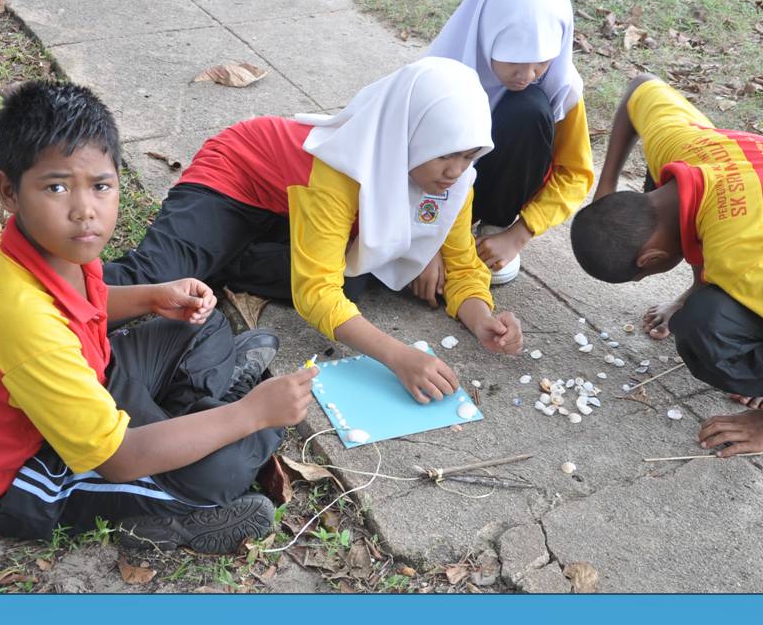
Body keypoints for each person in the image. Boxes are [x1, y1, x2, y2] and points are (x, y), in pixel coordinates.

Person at [0, 81, 317, 554]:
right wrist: (251, 412)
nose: (84, 211)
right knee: (229, 464)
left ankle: (196, 421)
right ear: (9, 191)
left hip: (78, 388)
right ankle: (168, 510)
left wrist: (154, 297)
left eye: (100, 186)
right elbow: (119, 459)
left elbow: (81, 304)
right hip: (22, 475)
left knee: (202, 322)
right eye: (56, 187)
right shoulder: (23, 318)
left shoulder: (43, 244)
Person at [105, 57, 524, 404]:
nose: (455, 171)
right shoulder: (342, 170)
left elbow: (462, 266)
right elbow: (316, 293)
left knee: (354, 281)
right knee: (157, 277)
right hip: (235, 179)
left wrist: (482, 319)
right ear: (409, 137)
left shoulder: (455, 183)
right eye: (445, 155)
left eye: (470, 156)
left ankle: (218, 257)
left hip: (289, 209)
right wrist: (399, 357)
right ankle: (50, 300)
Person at [571, 74, 763, 456]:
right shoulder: (677, 144)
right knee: (670, 191)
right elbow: (638, 87)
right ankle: (757, 311)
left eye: (642, 274)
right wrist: (605, 186)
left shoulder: (742, 258)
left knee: (703, 325)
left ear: (650, 260)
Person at [416, 0, 593, 293]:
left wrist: (519, 233)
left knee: (531, 107)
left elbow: (575, 173)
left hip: (495, 197)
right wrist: (427, 242)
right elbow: (404, 160)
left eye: (541, 60)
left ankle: (490, 229)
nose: (526, 74)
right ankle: (447, 231)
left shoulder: (561, 89)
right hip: (433, 194)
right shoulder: (435, 77)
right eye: (513, 59)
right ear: (485, 36)